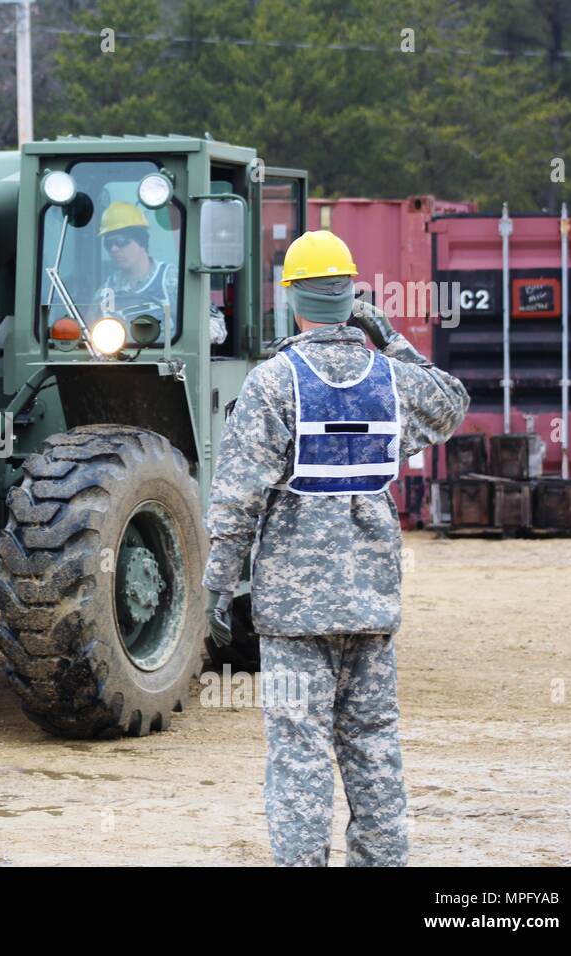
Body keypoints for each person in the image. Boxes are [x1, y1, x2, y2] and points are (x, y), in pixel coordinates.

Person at [201, 229, 469, 866]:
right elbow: (452, 402)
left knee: (298, 755)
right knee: (375, 747)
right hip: (371, 604)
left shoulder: (273, 383)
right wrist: (391, 336)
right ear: (353, 296)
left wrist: (218, 583)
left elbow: (238, 498)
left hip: (294, 613)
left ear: (290, 298)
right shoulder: (392, 380)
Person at [95, 201, 227, 345]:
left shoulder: (173, 281)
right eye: (108, 244)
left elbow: (217, 325)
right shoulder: (106, 290)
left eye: (121, 242)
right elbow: (89, 329)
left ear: (142, 242)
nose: (114, 249)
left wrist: (192, 335)